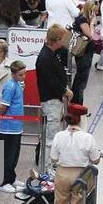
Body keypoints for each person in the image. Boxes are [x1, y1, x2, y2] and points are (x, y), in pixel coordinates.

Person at [44, 111, 99, 204]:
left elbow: (54, 158)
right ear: (81, 120)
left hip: (62, 174)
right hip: (81, 176)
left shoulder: (59, 136)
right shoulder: (88, 138)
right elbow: (96, 160)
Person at [36, 25, 72, 154]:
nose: (63, 42)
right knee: (51, 138)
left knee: (53, 136)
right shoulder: (45, 57)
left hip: (54, 100)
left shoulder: (51, 53)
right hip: (51, 102)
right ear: (56, 39)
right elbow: (50, 80)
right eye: (62, 39)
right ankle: (47, 168)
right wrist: (64, 90)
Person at [0, 60, 27, 193]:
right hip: (8, 127)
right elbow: (3, 106)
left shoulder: (17, 84)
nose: (23, 76)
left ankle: (11, 178)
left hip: (16, 126)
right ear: (13, 74)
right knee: (7, 155)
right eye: (20, 74)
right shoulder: (10, 86)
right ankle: (1, 182)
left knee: (14, 155)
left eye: (24, 74)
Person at [69, 0, 97, 105]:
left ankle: (78, 101)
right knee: (81, 78)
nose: (95, 14)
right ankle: (76, 102)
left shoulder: (85, 19)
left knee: (83, 78)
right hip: (82, 51)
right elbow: (90, 35)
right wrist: (92, 24)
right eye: (94, 11)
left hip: (87, 51)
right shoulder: (82, 20)